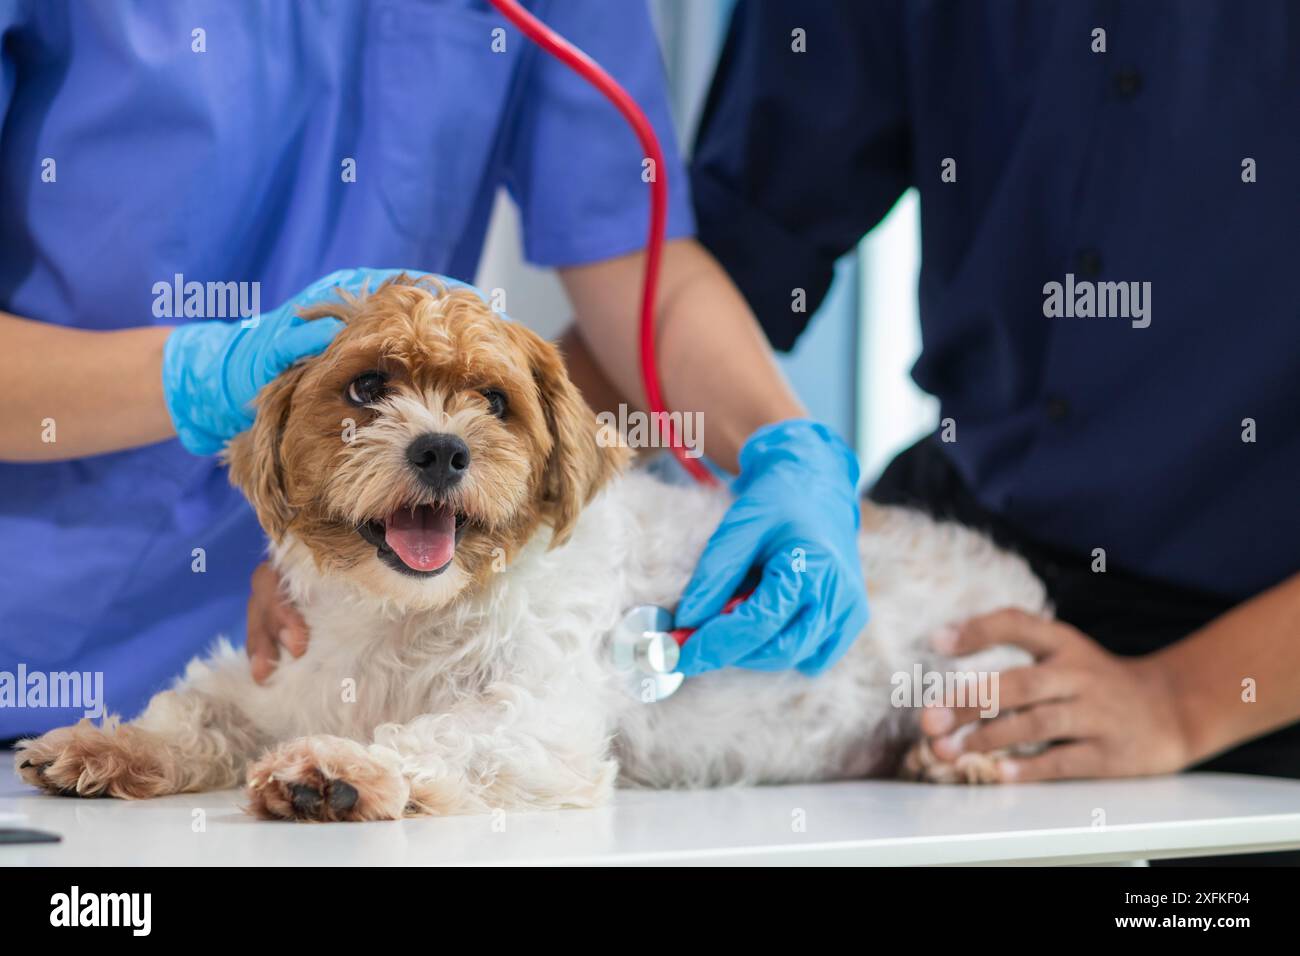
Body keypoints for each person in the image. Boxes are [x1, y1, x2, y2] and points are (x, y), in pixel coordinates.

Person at [0, 0, 869, 743]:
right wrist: (202, 372)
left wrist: (788, 445)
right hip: (34, 630)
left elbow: (641, 276)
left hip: (346, 662)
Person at [687, 0, 1300, 795]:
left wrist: (1179, 702)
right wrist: (516, 449)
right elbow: (701, 275)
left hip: (1260, 659)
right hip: (966, 564)